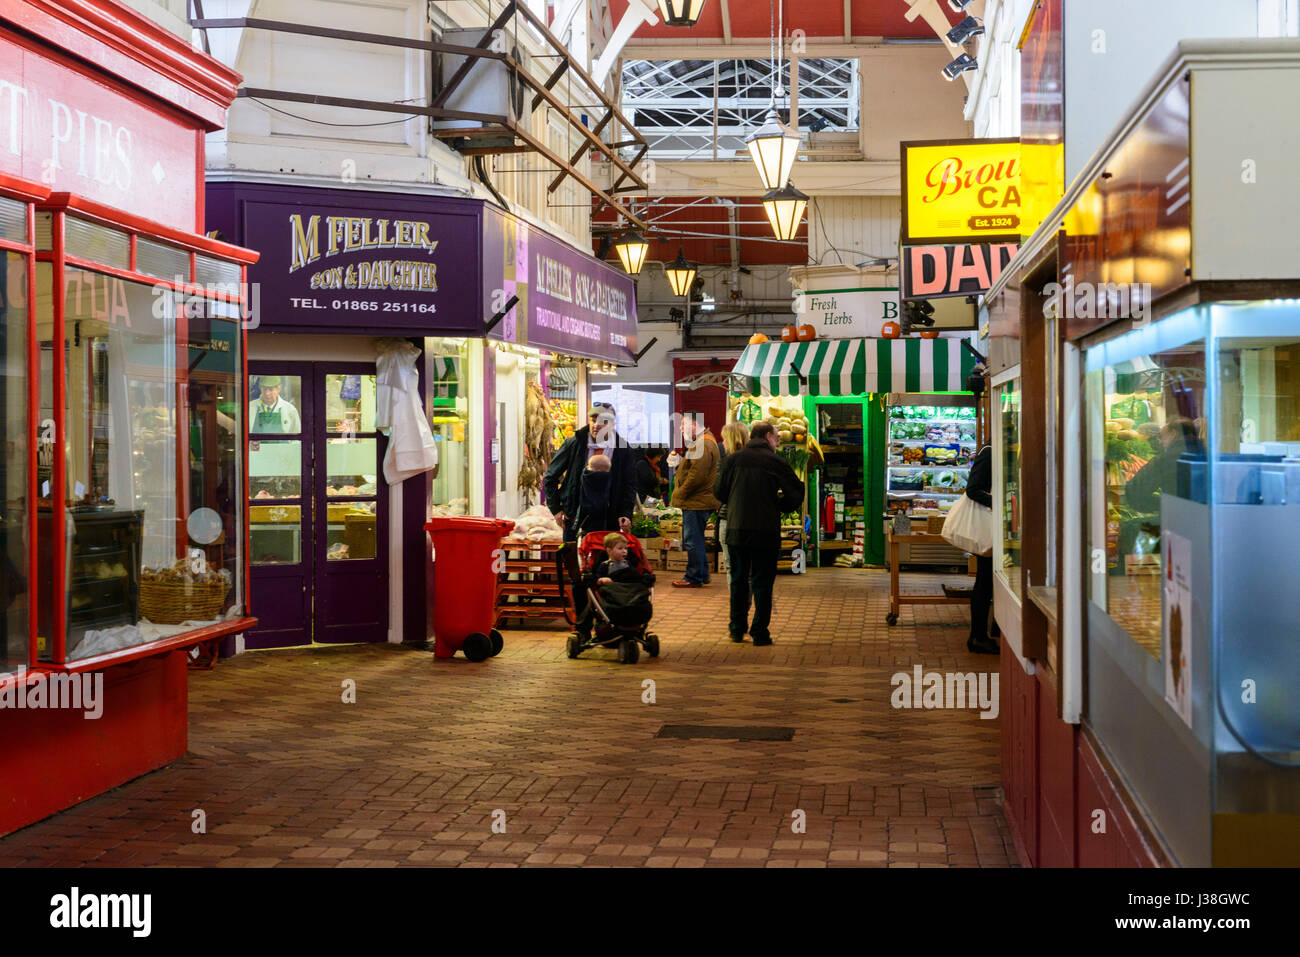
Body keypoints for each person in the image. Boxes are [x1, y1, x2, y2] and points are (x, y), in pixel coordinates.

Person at [713, 421, 803, 645]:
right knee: (763, 582)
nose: (779, 441)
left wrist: (735, 503)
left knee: (738, 580)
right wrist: (778, 505)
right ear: (767, 437)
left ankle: (736, 629)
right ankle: (759, 632)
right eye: (777, 437)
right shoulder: (776, 461)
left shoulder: (732, 460)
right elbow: (796, 492)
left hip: (736, 529)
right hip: (766, 530)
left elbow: (719, 491)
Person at [545, 404, 636, 541]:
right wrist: (556, 509)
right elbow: (551, 477)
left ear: (612, 424)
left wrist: (626, 513)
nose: (596, 425)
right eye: (593, 420)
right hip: (575, 516)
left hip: (608, 517)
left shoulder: (622, 449)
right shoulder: (575, 443)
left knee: (604, 559)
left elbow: (629, 484)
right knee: (572, 559)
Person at [670, 412, 720, 588]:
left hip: (696, 500)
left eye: (683, 424)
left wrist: (681, 493)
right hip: (698, 499)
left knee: (692, 540)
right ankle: (703, 573)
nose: (681, 428)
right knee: (696, 538)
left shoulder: (703, 444)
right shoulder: (702, 442)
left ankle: (693, 576)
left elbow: (696, 476)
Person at [965, 444, 999, 655]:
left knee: (988, 582)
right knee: (984, 583)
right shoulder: (989, 452)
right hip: (988, 529)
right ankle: (977, 637)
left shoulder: (999, 451)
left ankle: (990, 629)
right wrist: (1001, 502)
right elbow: (973, 489)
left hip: (996, 528)